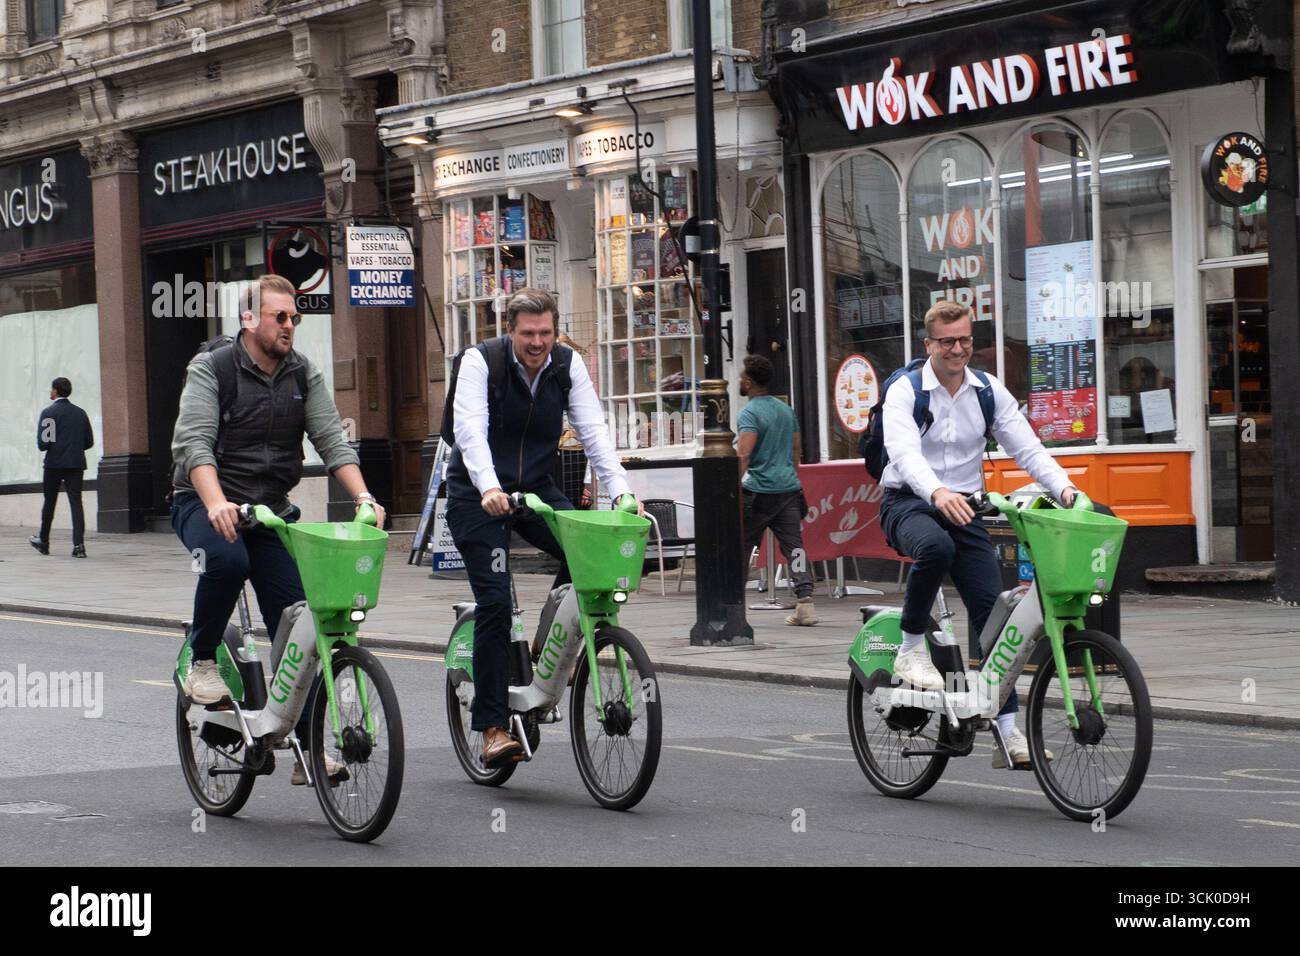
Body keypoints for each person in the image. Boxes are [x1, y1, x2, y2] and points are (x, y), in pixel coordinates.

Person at [170, 274, 385, 784]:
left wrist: (364, 497)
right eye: (280, 317)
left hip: (269, 511)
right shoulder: (212, 368)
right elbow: (193, 445)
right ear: (249, 320)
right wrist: (218, 502)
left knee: (299, 621)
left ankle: (306, 745)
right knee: (228, 561)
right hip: (204, 500)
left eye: (295, 317)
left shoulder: (301, 373)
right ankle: (202, 661)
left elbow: (333, 440)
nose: (290, 326)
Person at [880, 300, 1079, 769]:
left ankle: (1007, 735)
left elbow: (1027, 446)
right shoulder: (905, 392)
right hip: (908, 501)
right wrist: (937, 491)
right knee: (935, 545)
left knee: (996, 619)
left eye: (964, 339)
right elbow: (904, 455)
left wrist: (1067, 489)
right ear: (928, 344)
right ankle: (910, 650)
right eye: (946, 341)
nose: (957, 349)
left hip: (966, 506)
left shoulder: (987, 391)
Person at [446, 288, 640, 767]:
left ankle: (545, 646)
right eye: (529, 333)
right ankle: (492, 727)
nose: (538, 342)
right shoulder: (480, 361)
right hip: (479, 494)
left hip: (536, 489)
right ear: (510, 329)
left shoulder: (565, 365)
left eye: (546, 333)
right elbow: (469, 429)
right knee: (494, 601)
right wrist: (489, 487)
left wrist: (622, 494)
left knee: (589, 556)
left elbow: (594, 432)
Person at [737, 354, 817, 626]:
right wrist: (790, 475)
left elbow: (744, 453)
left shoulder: (749, 412)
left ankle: (731, 600)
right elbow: (797, 450)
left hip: (759, 490)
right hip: (789, 489)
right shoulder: (786, 410)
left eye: (741, 376)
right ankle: (805, 603)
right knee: (795, 547)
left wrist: (732, 486)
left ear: (748, 381)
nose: (739, 380)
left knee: (743, 545)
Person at [30, 377, 95, 558]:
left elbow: (44, 443)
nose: (50, 392)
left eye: (51, 389)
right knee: (76, 502)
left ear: (56, 391)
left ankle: (44, 540)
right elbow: (89, 441)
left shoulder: (49, 413)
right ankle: (79, 545)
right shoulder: (80, 413)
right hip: (76, 464)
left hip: (54, 464)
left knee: (49, 501)